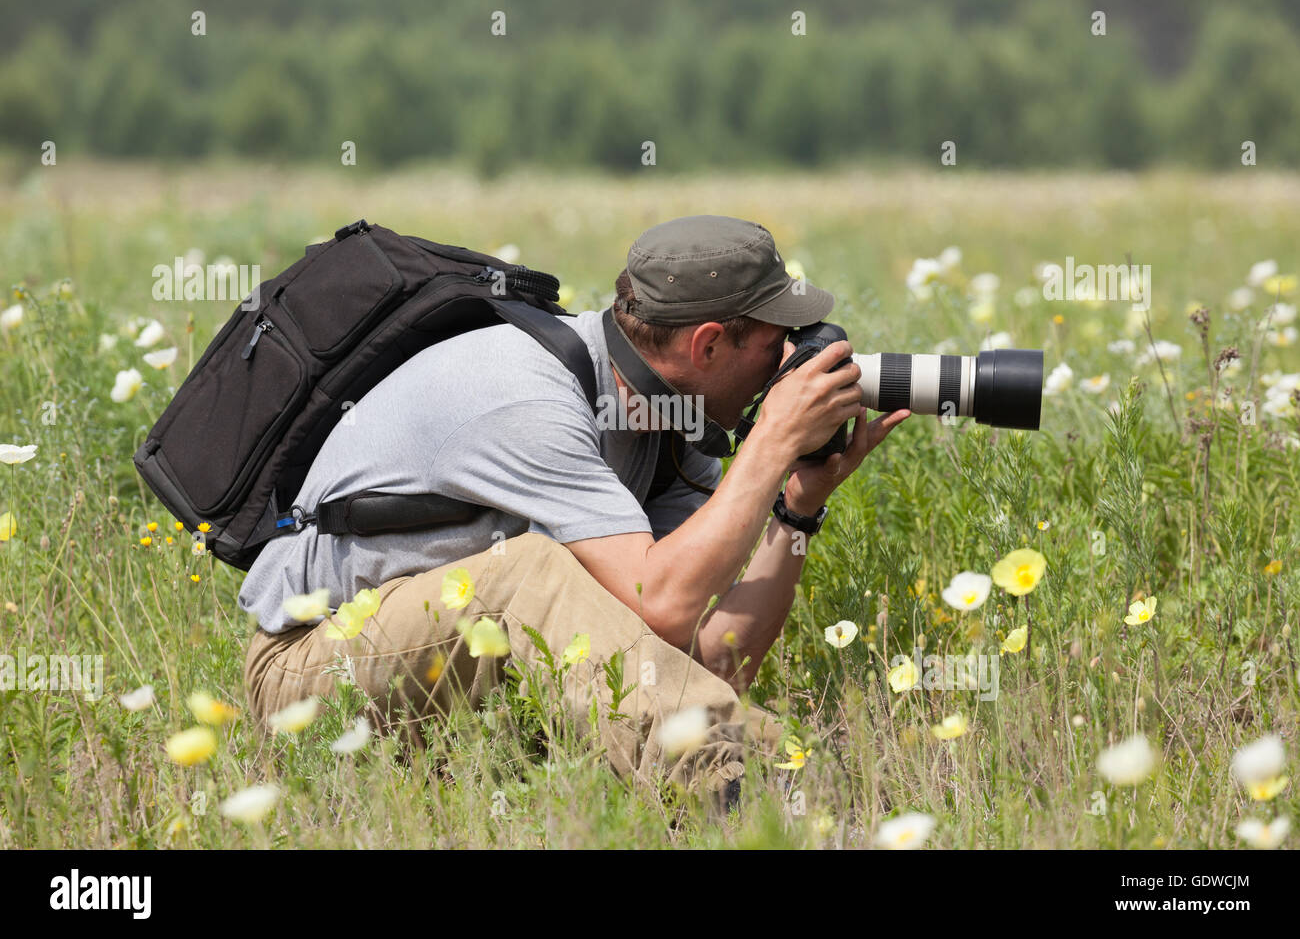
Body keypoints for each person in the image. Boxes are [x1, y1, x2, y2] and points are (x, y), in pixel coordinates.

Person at [238, 214, 910, 814]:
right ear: (707, 345)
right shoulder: (529, 398)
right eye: (775, 342)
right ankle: (749, 797)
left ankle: (757, 789)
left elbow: (706, 659)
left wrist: (795, 510)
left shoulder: (665, 423)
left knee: (591, 602)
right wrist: (769, 445)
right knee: (533, 569)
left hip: (449, 680)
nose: (789, 361)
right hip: (312, 679)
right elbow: (666, 604)